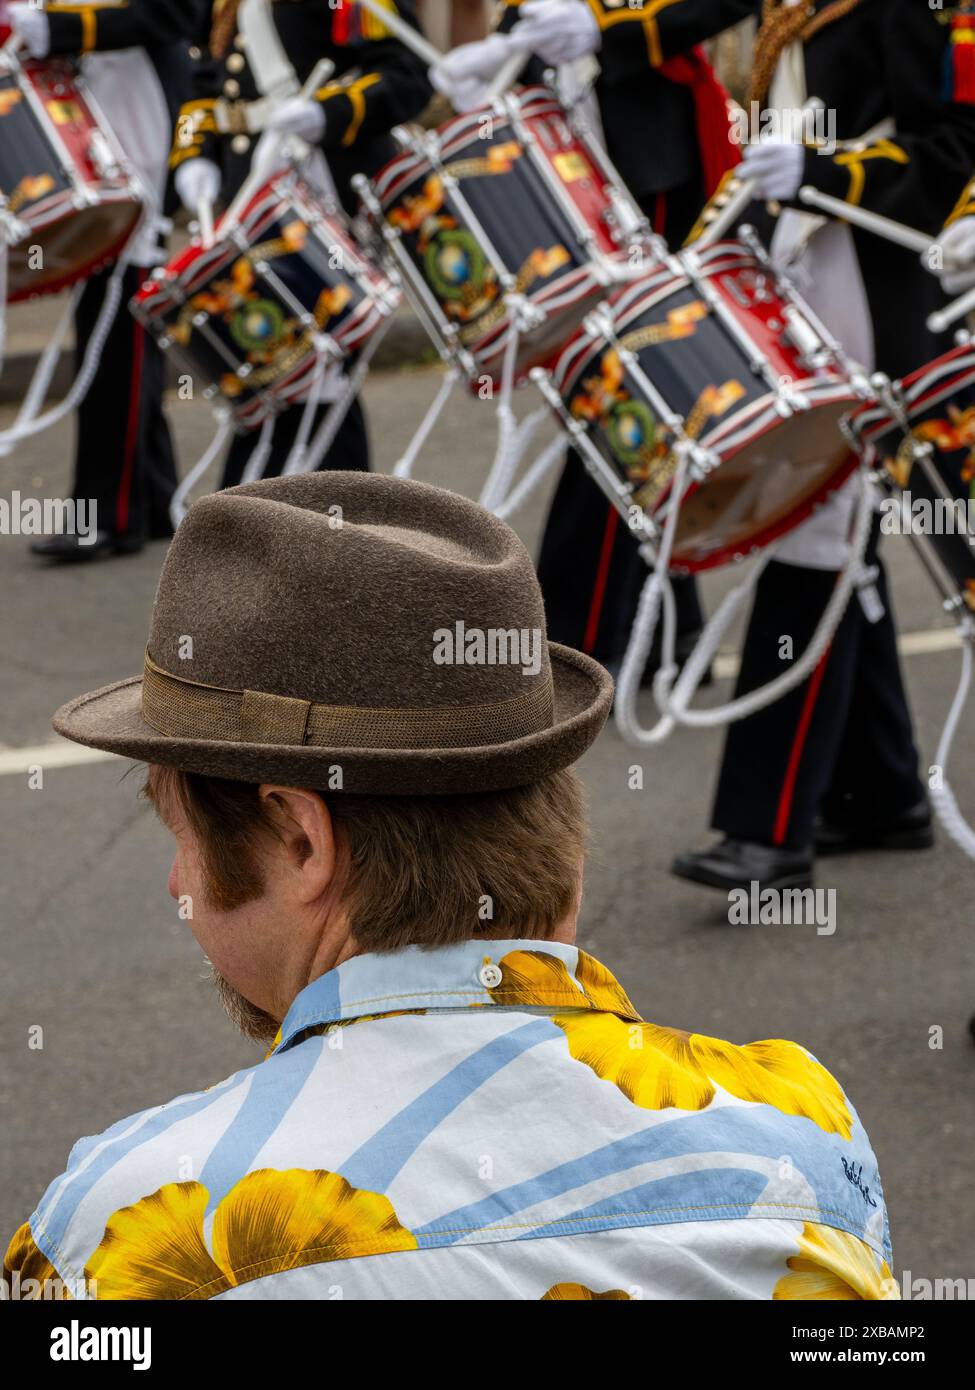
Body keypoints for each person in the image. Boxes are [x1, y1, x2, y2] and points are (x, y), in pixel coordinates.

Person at [4, 470, 895, 1300]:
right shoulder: (805, 1126)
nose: (175, 883)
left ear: (298, 837)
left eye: (180, 835)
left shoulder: (129, 1229)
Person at [672, 0, 975, 896]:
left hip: (878, 285)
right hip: (809, 265)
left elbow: (952, 147)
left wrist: (824, 170)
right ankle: (879, 792)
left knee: (815, 534)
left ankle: (767, 832)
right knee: (837, 533)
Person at [431, 0, 756, 677]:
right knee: (616, 401)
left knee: (617, 395)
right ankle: (661, 625)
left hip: (647, 154)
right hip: (561, 156)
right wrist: (504, 52)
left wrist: (606, 32)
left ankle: (578, 637)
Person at [170, 0, 431, 487]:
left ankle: (321, 531)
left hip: (319, 197)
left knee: (316, 378)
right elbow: (203, 78)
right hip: (248, 197)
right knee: (268, 375)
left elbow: (408, 74)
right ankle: (302, 533)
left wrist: (325, 113)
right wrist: (192, 153)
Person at [7, 0, 202, 562]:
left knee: (116, 323)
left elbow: (175, 15)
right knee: (116, 319)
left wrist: (62, 28)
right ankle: (157, 496)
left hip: (134, 116)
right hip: (91, 115)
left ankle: (105, 516)